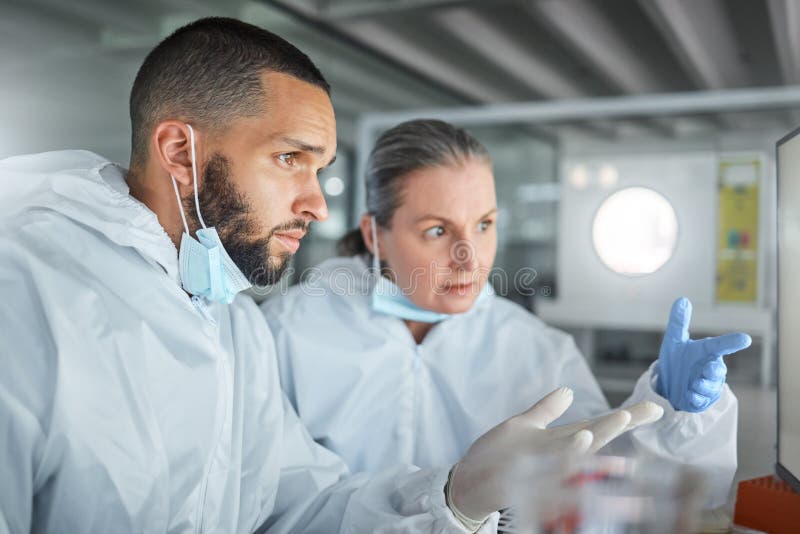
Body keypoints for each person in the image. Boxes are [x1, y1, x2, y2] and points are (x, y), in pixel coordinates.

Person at [0, 18, 664, 533]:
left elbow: (301, 507)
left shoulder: (229, 325)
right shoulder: (24, 292)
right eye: (290, 158)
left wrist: (457, 497)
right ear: (180, 151)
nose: (318, 204)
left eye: (320, 168)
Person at [261, 119, 752, 509]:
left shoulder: (538, 351)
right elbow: (273, 501)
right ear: (374, 235)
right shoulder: (291, 332)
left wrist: (677, 415)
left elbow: (609, 486)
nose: (469, 258)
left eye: (484, 225)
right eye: (436, 231)